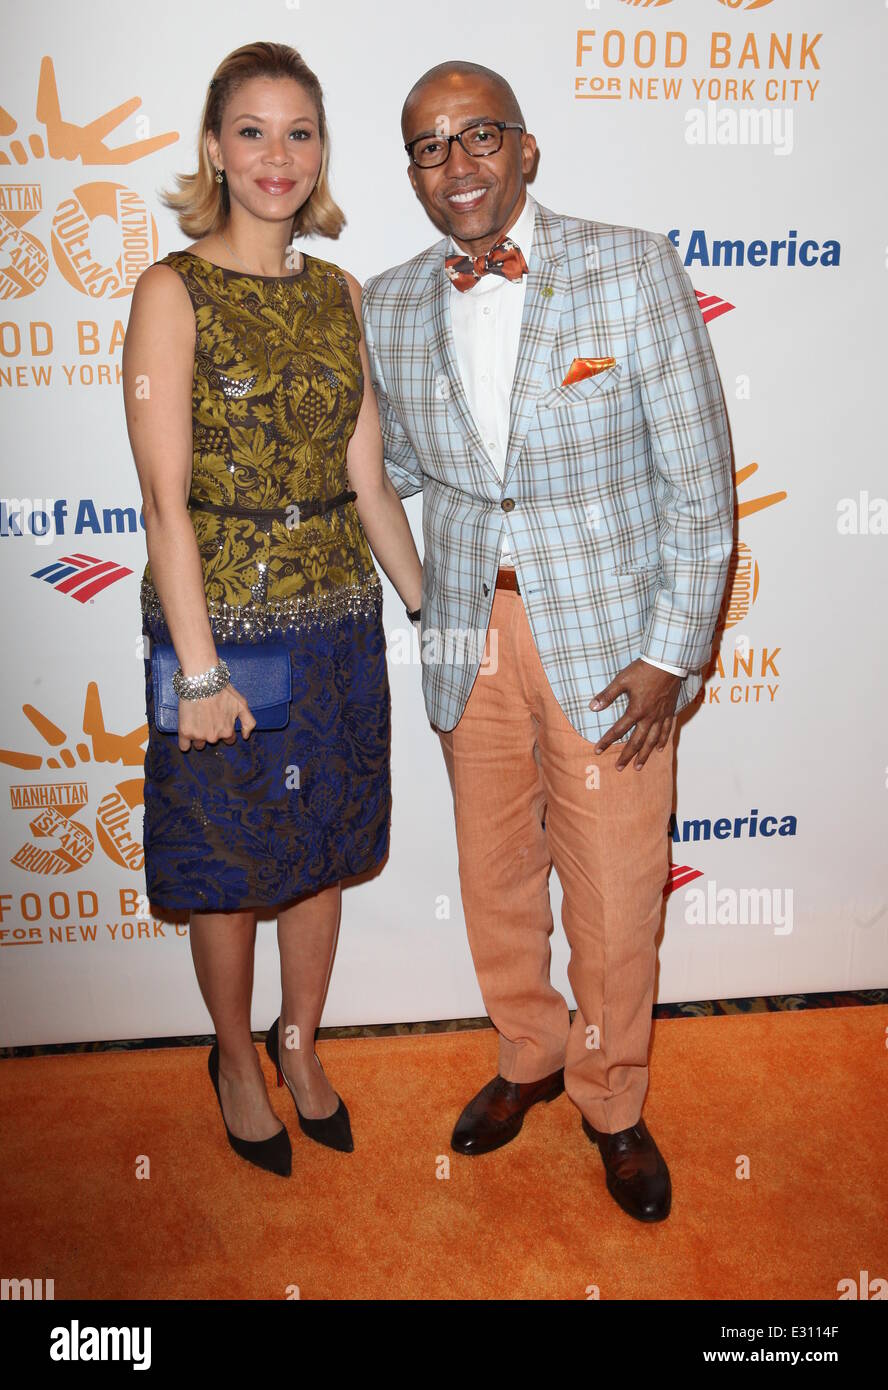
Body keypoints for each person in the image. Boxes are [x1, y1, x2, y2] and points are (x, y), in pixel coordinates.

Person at [361, 60, 734, 1221]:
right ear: (413, 173)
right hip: (467, 637)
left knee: (618, 893)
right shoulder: (388, 300)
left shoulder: (631, 266)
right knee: (497, 879)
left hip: (611, 643)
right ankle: (527, 1051)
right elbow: (410, 470)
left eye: (480, 136)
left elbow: (700, 481)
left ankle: (612, 1099)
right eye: (430, 145)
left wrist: (674, 652)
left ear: (527, 149)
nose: (457, 163)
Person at [122, 42, 422, 1177]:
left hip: (339, 620)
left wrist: (434, 611)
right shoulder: (172, 290)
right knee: (229, 861)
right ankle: (238, 1056)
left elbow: (371, 482)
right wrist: (197, 673)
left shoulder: (341, 294)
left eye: (299, 132)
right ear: (214, 149)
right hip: (224, 634)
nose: (277, 155)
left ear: (319, 153)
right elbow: (163, 502)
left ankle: (302, 1042)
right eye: (252, 130)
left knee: (320, 850)